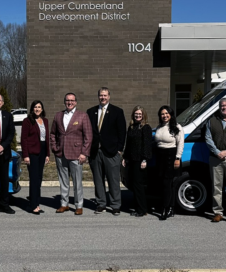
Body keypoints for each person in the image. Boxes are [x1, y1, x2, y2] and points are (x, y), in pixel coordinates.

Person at [49, 92, 93, 215]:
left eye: (72, 100)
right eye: (67, 100)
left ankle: (79, 205)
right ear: (64, 102)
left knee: (77, 181)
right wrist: (54, 147)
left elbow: (88, 136)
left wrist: (84, 153)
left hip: (76, 154)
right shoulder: (58, 115)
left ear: (76, 102)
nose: (70, 102)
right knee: (63, 181)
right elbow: (52, 134)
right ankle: (64, 204)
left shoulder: (82, 116)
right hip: (60, 153)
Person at [87, 87, 126, 215]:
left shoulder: (117, 111)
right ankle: (101, 204)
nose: (102, 97)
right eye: (100, 95)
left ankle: (115, 205)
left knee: (113, 179)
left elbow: (122, 132)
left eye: (105, 95)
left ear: (109, 96)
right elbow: (88, 132)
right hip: (95, 152)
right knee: (98, 179)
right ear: (98, 96)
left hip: (112, 152)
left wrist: (119, 149)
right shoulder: (91, 111)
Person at [153, 105, 184, 220]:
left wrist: (178, 158)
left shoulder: (177, 127)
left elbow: (180, 143)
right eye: (162, 114)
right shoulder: (159, 127)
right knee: (166, 184)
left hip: (171, 156)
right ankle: (171, 207)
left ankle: (165, 208)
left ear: (171, 114)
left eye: (166, 113)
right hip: (160, 156)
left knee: (167, 184)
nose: (164, 116)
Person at [122, 106, 152, 217]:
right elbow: (128, 144)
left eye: (140, 114)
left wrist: (145, 159)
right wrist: (125, 158)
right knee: (134, 185)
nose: (138, 115)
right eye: (136, 114)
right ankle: (137, 207)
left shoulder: (146, 128)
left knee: (139, 186)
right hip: (131, 160)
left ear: (143, 115)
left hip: (140, 161)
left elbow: (147, 145)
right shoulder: (131, 127)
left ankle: (142, 209)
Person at [20, 100, 49, 215]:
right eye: (35, 107)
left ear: (42, 109)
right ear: (32, 109)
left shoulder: (45, 121)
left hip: (42, 151)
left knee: (39, 178)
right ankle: (33, 206)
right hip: (32, 152)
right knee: (34, 178)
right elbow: (24, 139)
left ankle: (37, 203)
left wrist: (47, 154)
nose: (37, 109)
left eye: (39, 107)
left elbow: (46, 138)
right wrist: (25, 155)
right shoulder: (27, 121)